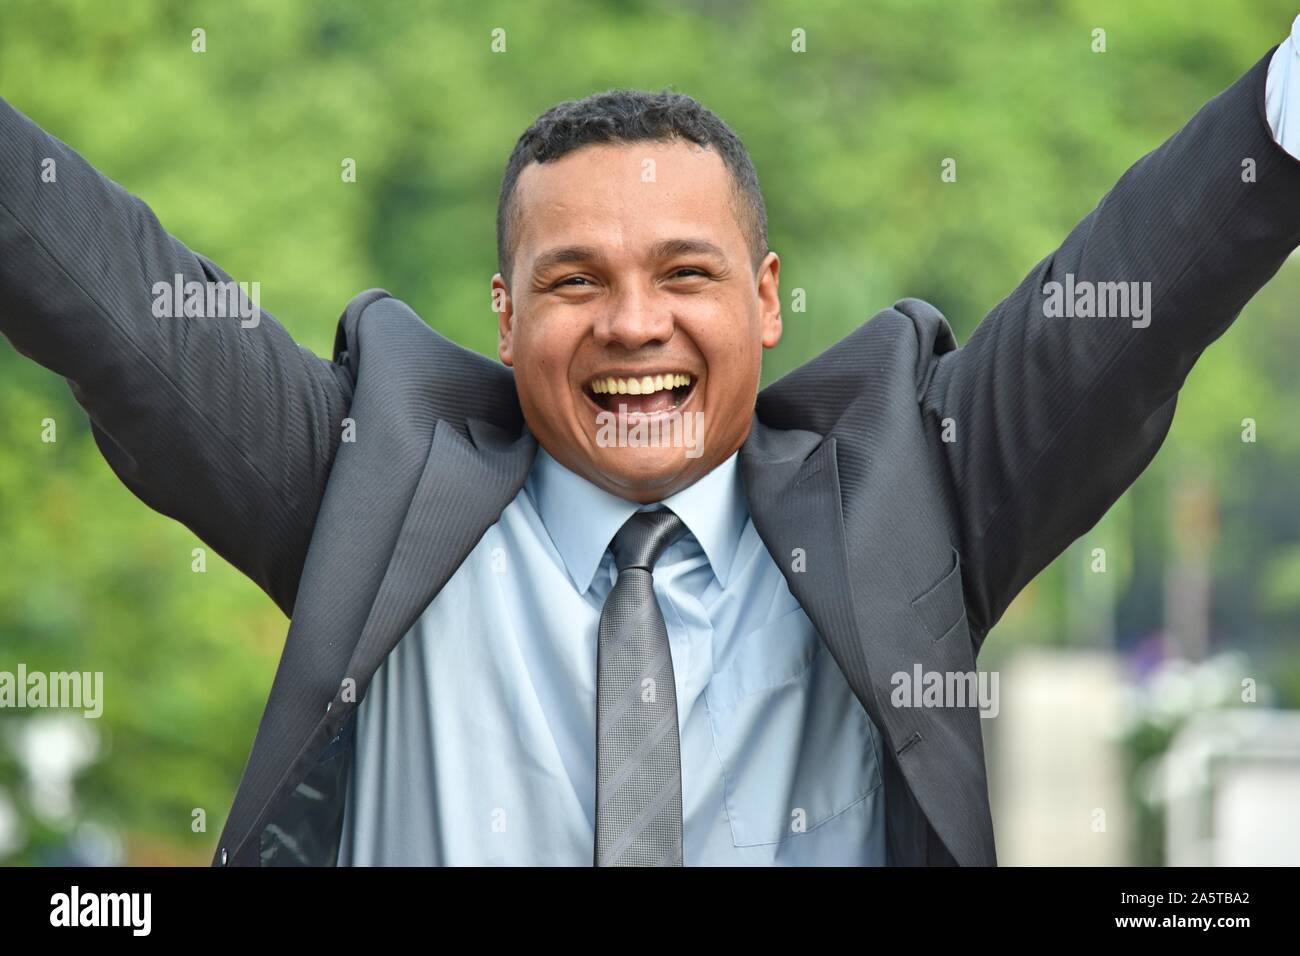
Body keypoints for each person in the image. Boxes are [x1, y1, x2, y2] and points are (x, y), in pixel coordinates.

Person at [3, 20, 1300, 867]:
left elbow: (1125, 307)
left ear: (768, 296)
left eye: (686, 271)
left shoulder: (910, 502)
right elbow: (117, 307)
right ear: (505, 316)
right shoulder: (369, 487)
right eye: (575, 282)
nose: (635, 325)